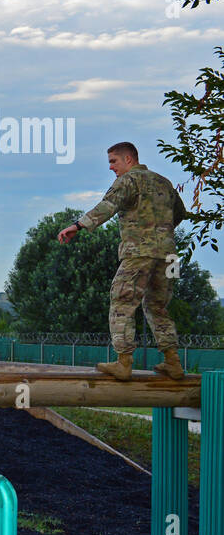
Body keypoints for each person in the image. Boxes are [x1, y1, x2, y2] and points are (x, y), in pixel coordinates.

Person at [57, 142, 188, 380]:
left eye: (113, 161)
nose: (110, 167)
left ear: (129, 159)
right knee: (158, 307)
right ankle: (173, 363)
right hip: (169, 256)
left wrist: (78, 226)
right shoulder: (164, 183)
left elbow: (108, 205)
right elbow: (179, 213)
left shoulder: (129, 181)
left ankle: (124, 363)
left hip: (139, 252)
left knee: (122, 301)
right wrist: (160, 231)